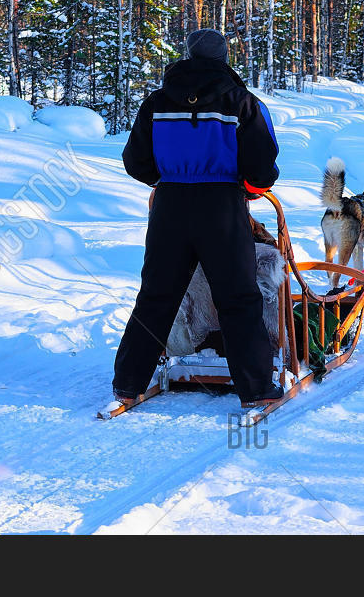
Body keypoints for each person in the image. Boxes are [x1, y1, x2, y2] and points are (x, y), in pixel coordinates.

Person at [112, 28, 284, 409]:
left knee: (156, 296)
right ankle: (256, 387)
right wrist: (243, 183)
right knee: (238, 297)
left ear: (187, 55)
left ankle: (127, 382)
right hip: (222, 206)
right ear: (225, 59)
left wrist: (170, 178)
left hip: (170, 205)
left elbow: (134, 161)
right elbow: (263, 168)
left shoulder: (156, 102)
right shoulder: (242, 102)